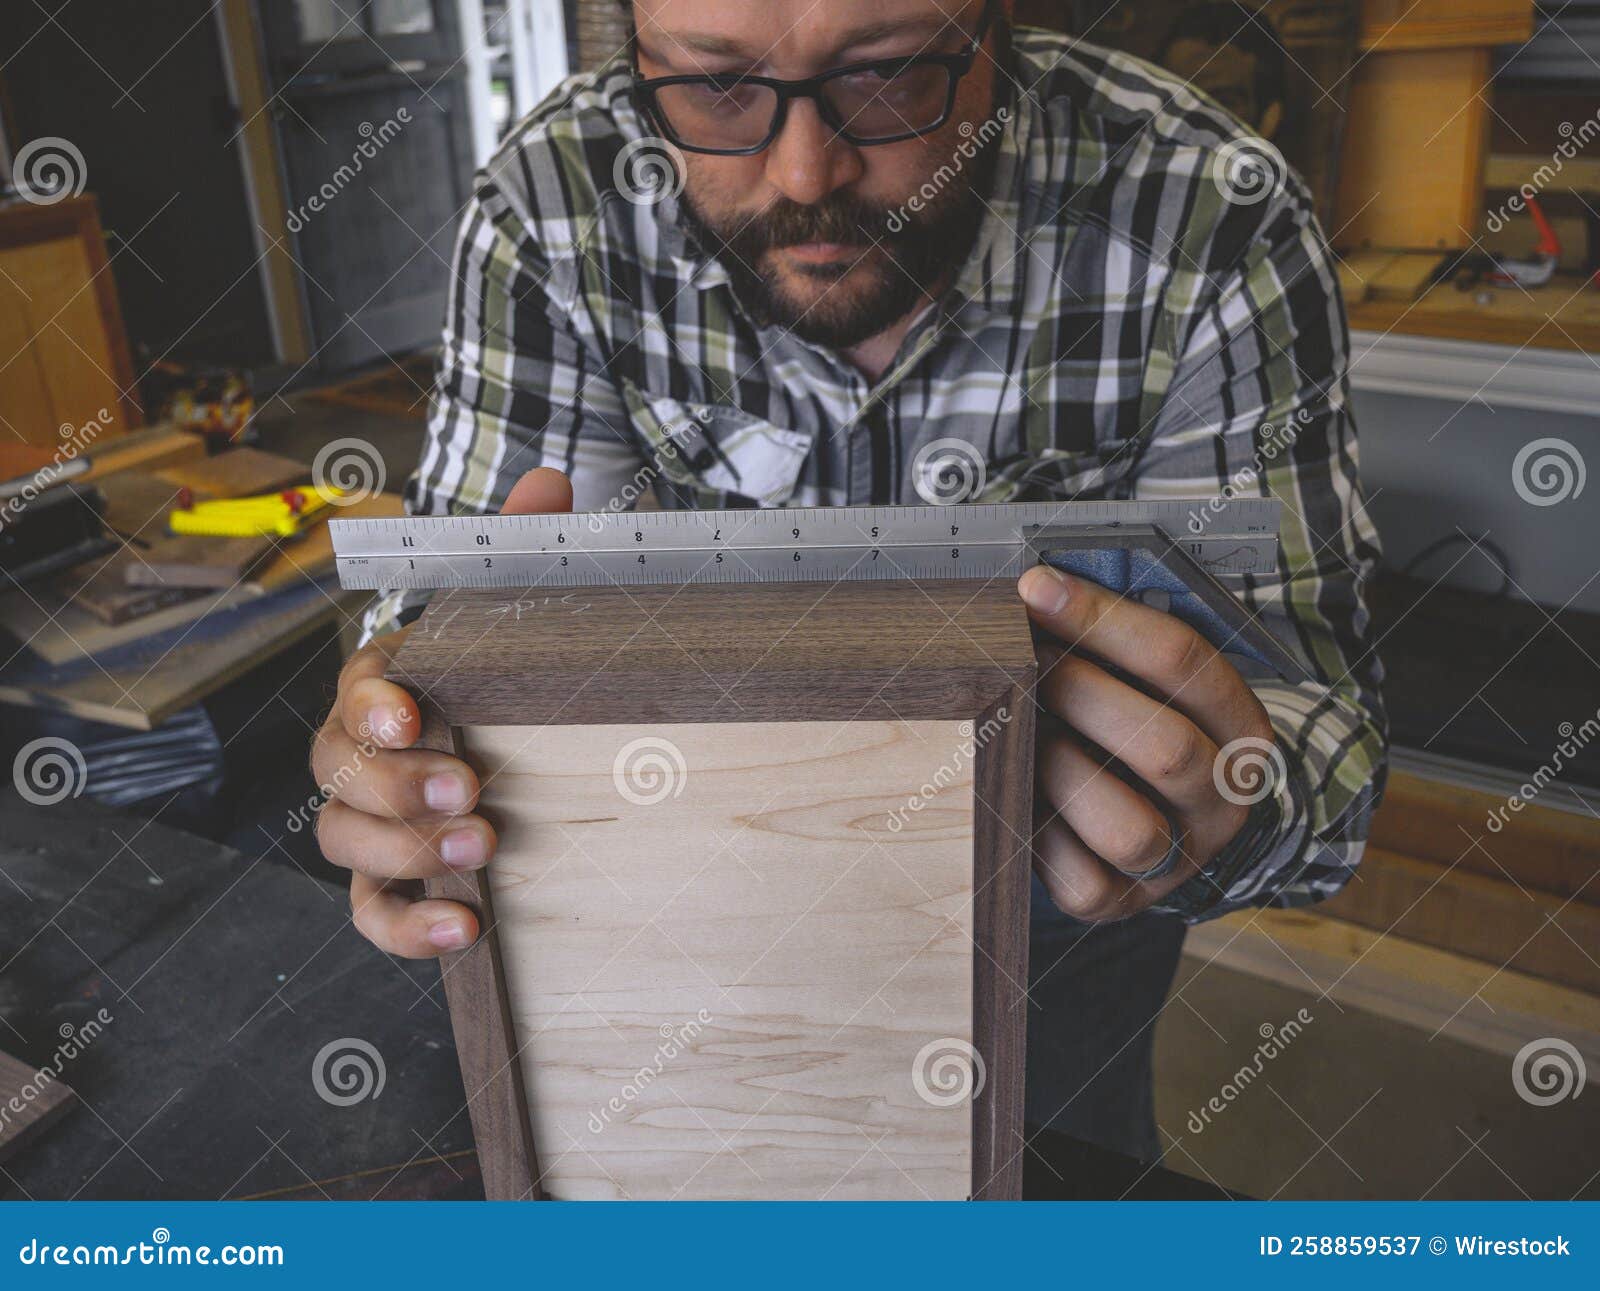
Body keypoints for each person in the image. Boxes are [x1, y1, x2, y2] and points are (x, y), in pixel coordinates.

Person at [309, 0, 1385, 1165]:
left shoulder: (1205, 209)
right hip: (665, 992)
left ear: (995, 32)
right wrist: (408, 752)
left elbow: (1323, 733)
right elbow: (428, 649)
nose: (805, 168)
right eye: (715, 88)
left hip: (1059, 971)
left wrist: (1229, 798)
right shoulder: (556, 203)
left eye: (887, 78)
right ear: (631, 50)